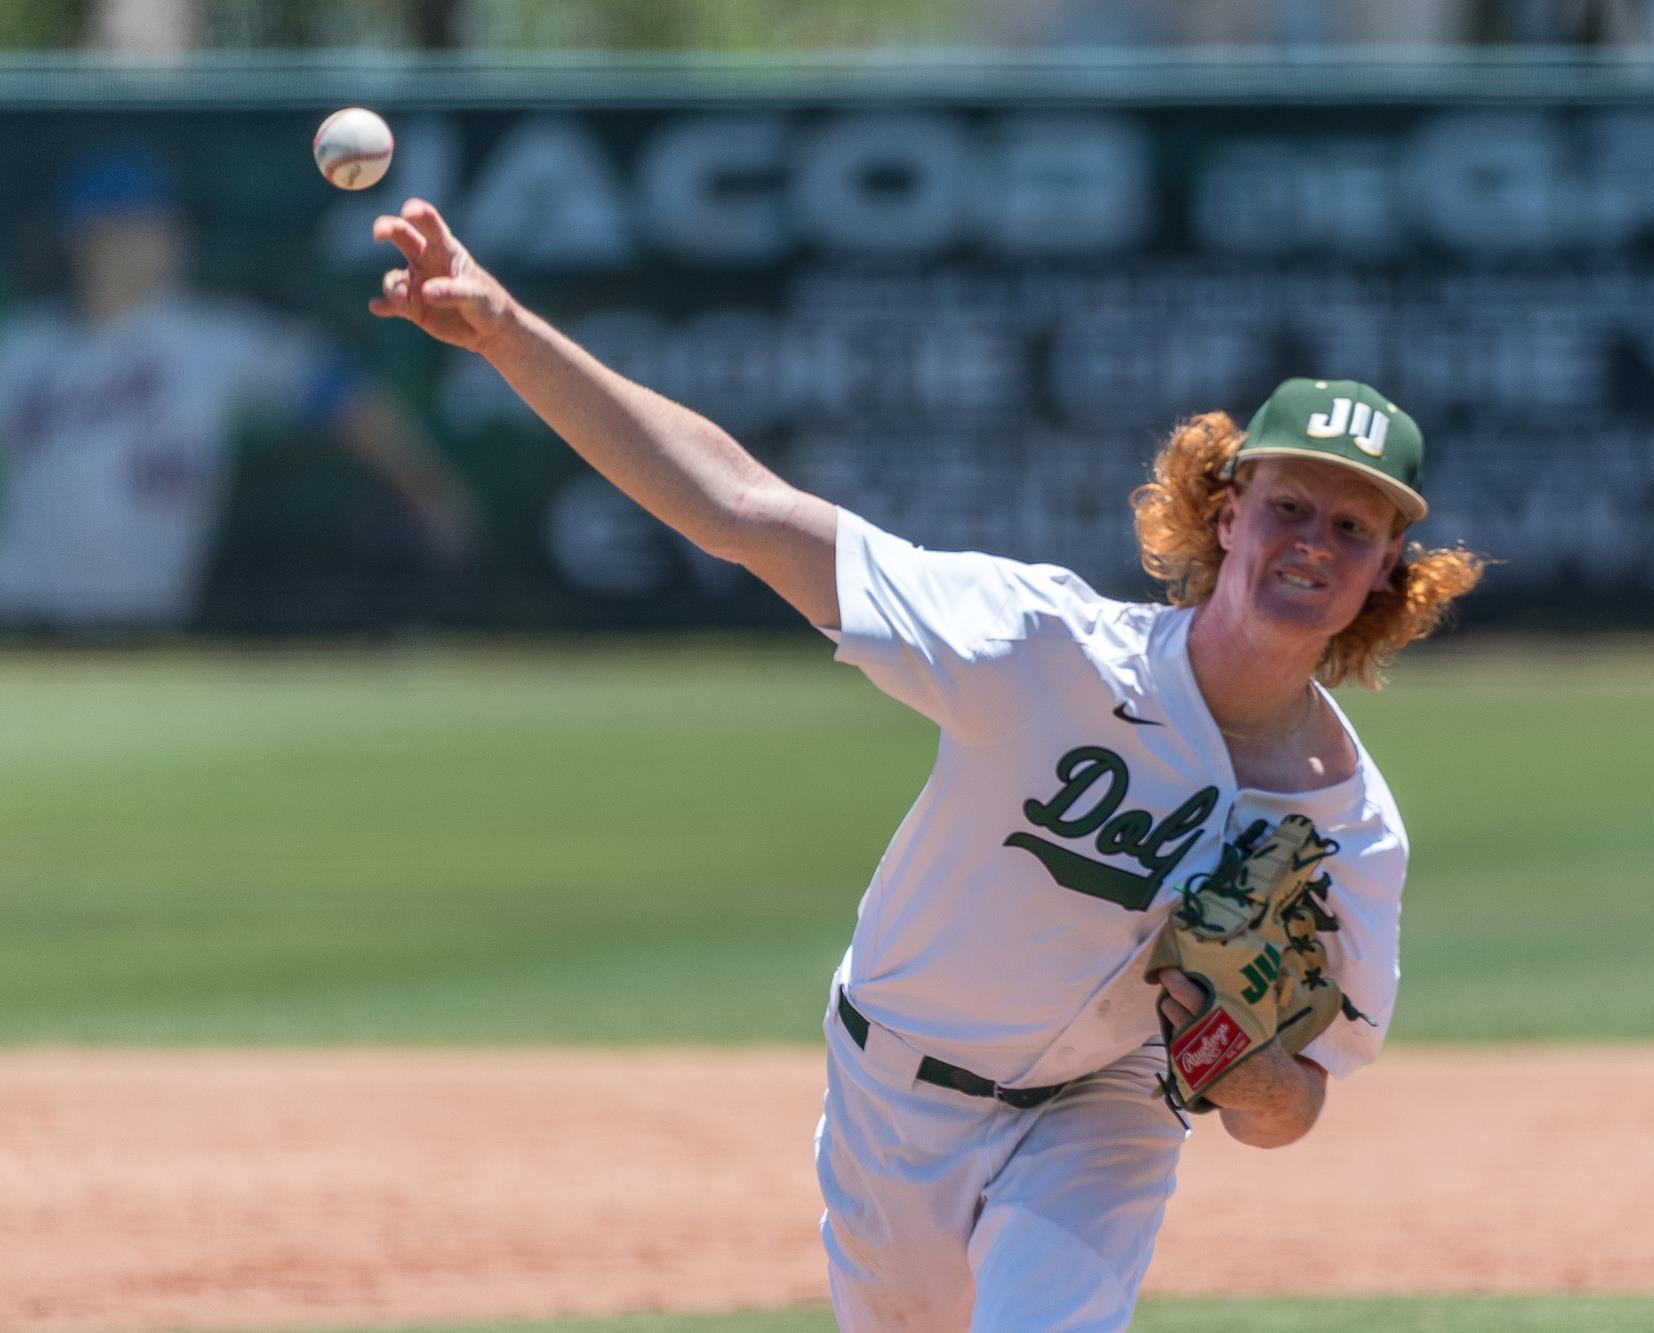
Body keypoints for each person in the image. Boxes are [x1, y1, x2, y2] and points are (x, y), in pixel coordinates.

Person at [368, 197, 1483, 1331]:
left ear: (1389, 567)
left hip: (1106, 1113)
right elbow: (744, 511)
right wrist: (506, 330)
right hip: (890, 1088)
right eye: (1290, 505)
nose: (1313, 542)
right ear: (1229, 511)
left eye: (1354, 528)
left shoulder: (1352, 825)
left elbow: (1290, 1109)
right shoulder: (1040, 647)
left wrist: (1240, 1058)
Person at [0, 145, 478, 631]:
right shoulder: (25, 350)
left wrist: (430, 492)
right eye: (146, 223)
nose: (168, 238)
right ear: (91, 234)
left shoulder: (207, 339)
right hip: (21, 616)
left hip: (142, 625)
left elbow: (337, 389)